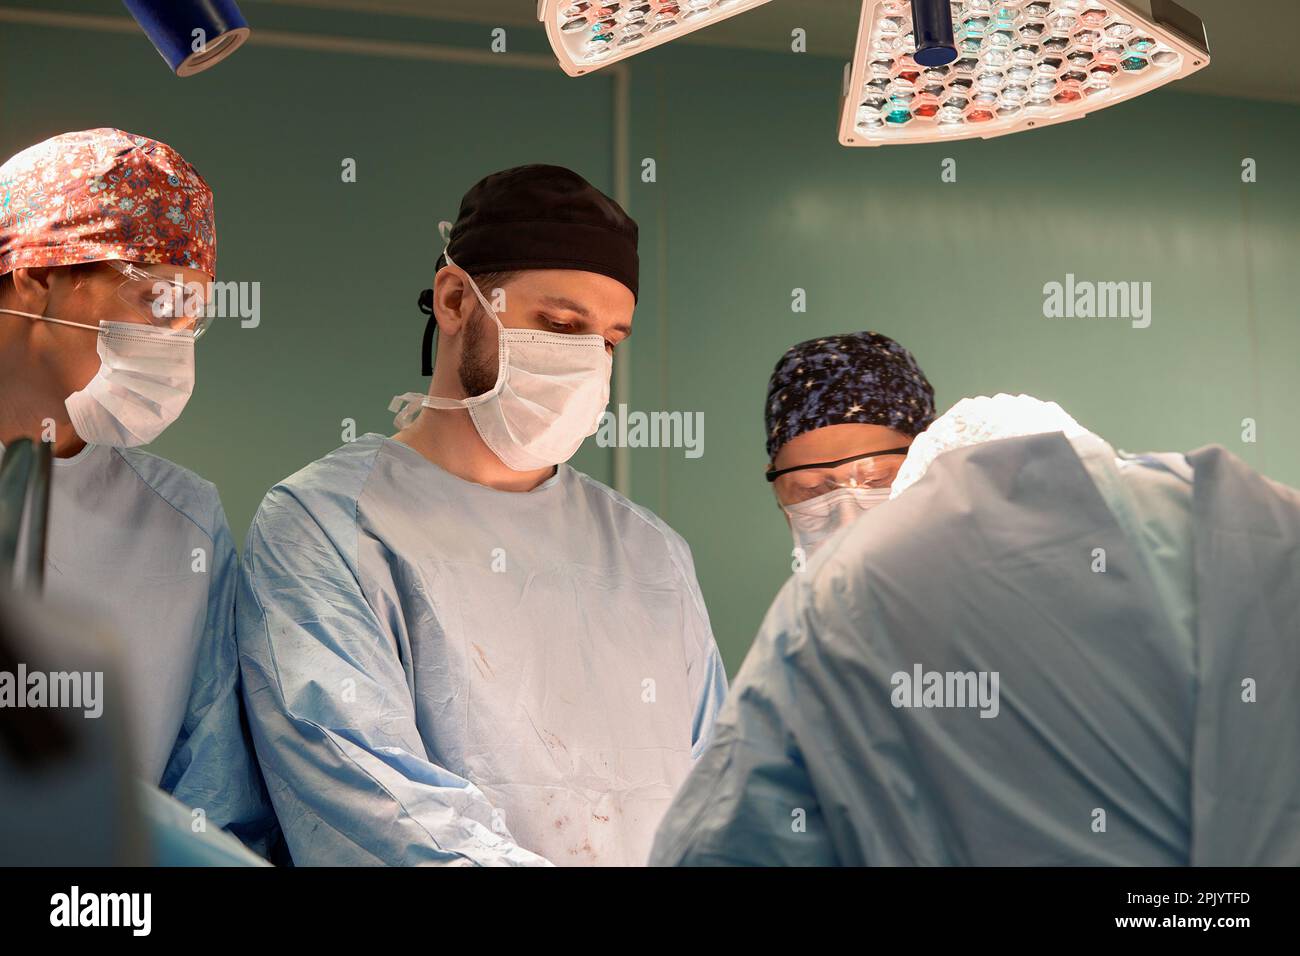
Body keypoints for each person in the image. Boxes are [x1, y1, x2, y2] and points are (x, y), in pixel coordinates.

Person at [237, 164, 727, 866]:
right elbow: (367, 797)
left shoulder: (651, 557)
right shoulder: (329, 526)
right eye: (560, 324)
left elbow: (717, 793)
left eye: (610, 341)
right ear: (455, 300)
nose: (588, 362)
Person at [651, 394, 1300, 866]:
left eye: (873, 480)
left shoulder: (841, 603)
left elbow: (721, 848)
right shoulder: (1262, 531)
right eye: (809, 488)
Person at [0, 128, 275, 855]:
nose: (174, 343)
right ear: (34, 272)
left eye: (192, 318)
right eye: (156, 302)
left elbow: (210, 802)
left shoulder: (182, 525)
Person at [764, 332, 935, 561]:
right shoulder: (797, 598)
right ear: (778, 494)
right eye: (811, 489)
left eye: (877, 479)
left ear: (936, 458)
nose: (848, 523)